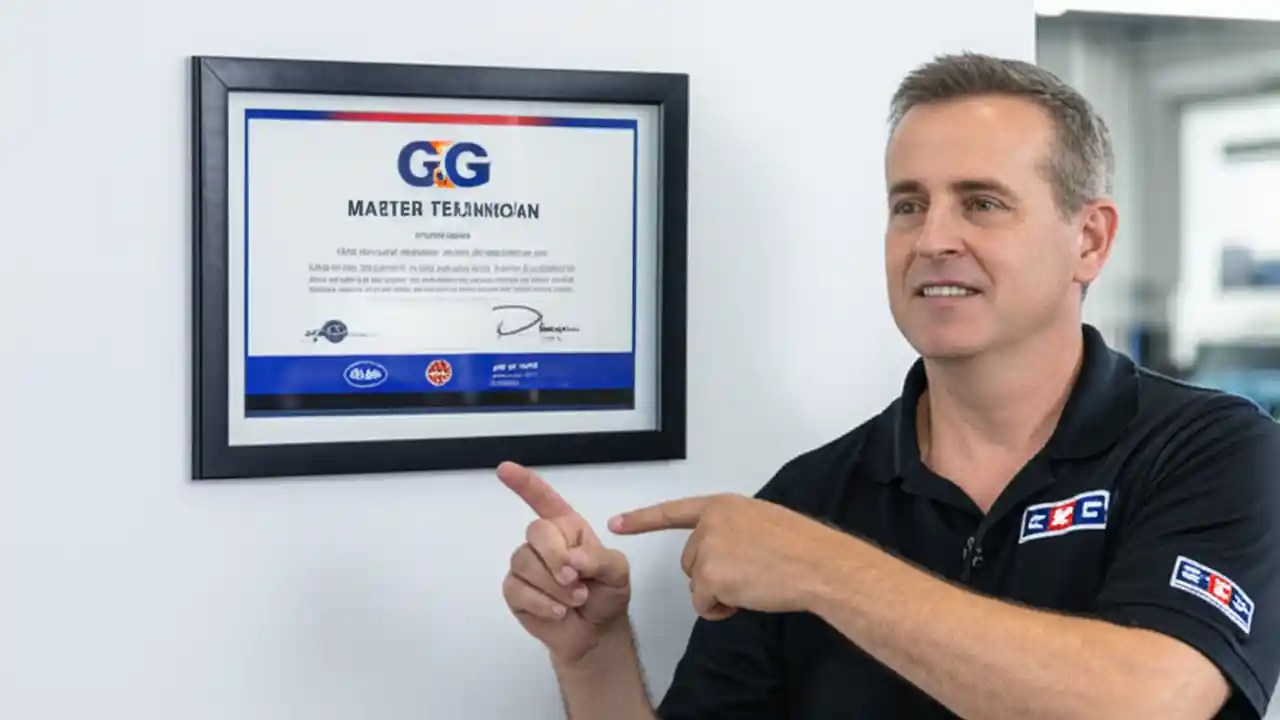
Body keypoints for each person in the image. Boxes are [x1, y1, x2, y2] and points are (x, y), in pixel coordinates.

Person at [497, 52, 1280, 719]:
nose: (933, 239)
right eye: (909, 205)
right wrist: (592, 654)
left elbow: (1149, 699)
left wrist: (821, 571)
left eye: (981, 203)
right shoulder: (808, 499)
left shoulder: (1213, 451)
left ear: (1090, 238)